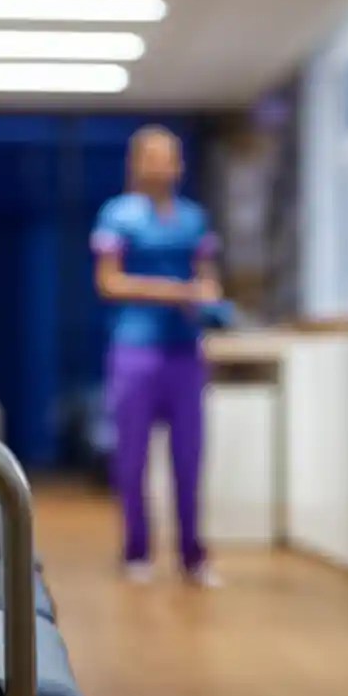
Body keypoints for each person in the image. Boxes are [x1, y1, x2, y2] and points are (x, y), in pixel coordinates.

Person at [91, 125, 223, 588]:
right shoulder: (117, 216)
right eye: (153, 157)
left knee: (190, 456)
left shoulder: (194, 219)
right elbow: (109, 283)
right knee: (132, 457)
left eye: (171, 157)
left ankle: (193, 556)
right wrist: (173, 292)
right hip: (135, 350)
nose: (163, 166)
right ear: (137, 163)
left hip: (185, 352)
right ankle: (136, 551)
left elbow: (207, 281)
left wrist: (206, 297)